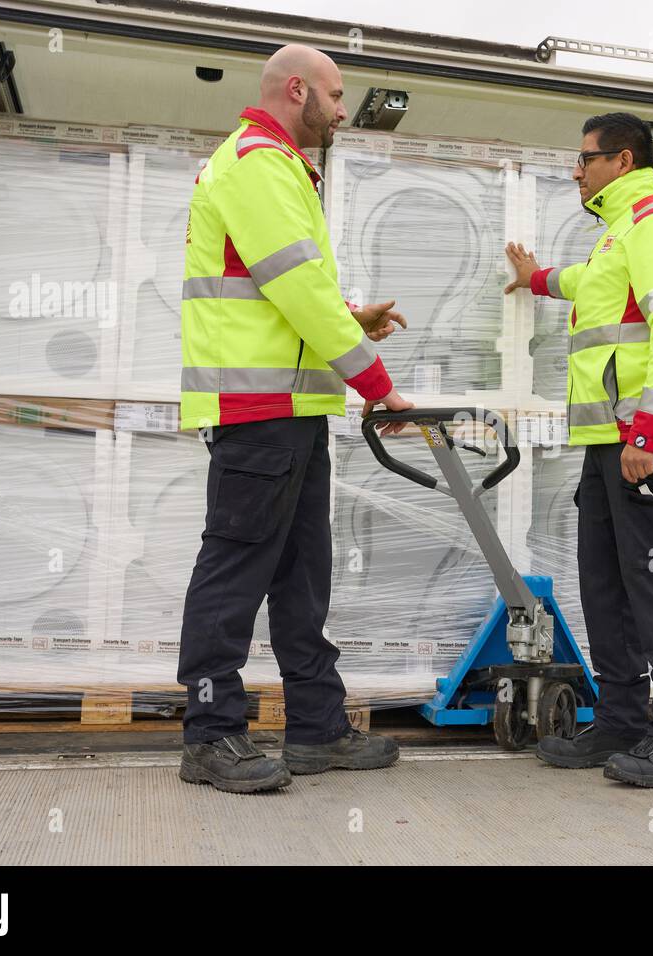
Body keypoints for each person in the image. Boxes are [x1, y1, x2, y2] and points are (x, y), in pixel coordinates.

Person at [176, 43, 413, 793]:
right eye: (338, 96)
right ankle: (211, 735)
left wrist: (350, 315)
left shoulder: (281, 167)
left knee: (302, 578)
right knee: (236, 570)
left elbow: (292, 288)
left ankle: (316, 728)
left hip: (298, 410)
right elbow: (295, 288)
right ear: (299, 90)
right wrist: (379, 386)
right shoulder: (255, 163)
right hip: (260, 412)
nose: (345, 111)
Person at [504, 112, 653, 788]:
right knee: (606, 587)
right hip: (604, 446)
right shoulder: (616, 238)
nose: (576, 171)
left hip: (640, 442)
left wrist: (648, 433)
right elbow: (589, 288)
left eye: (585, 159)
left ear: (622, 161)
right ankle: (621, 718)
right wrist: (537, 279)